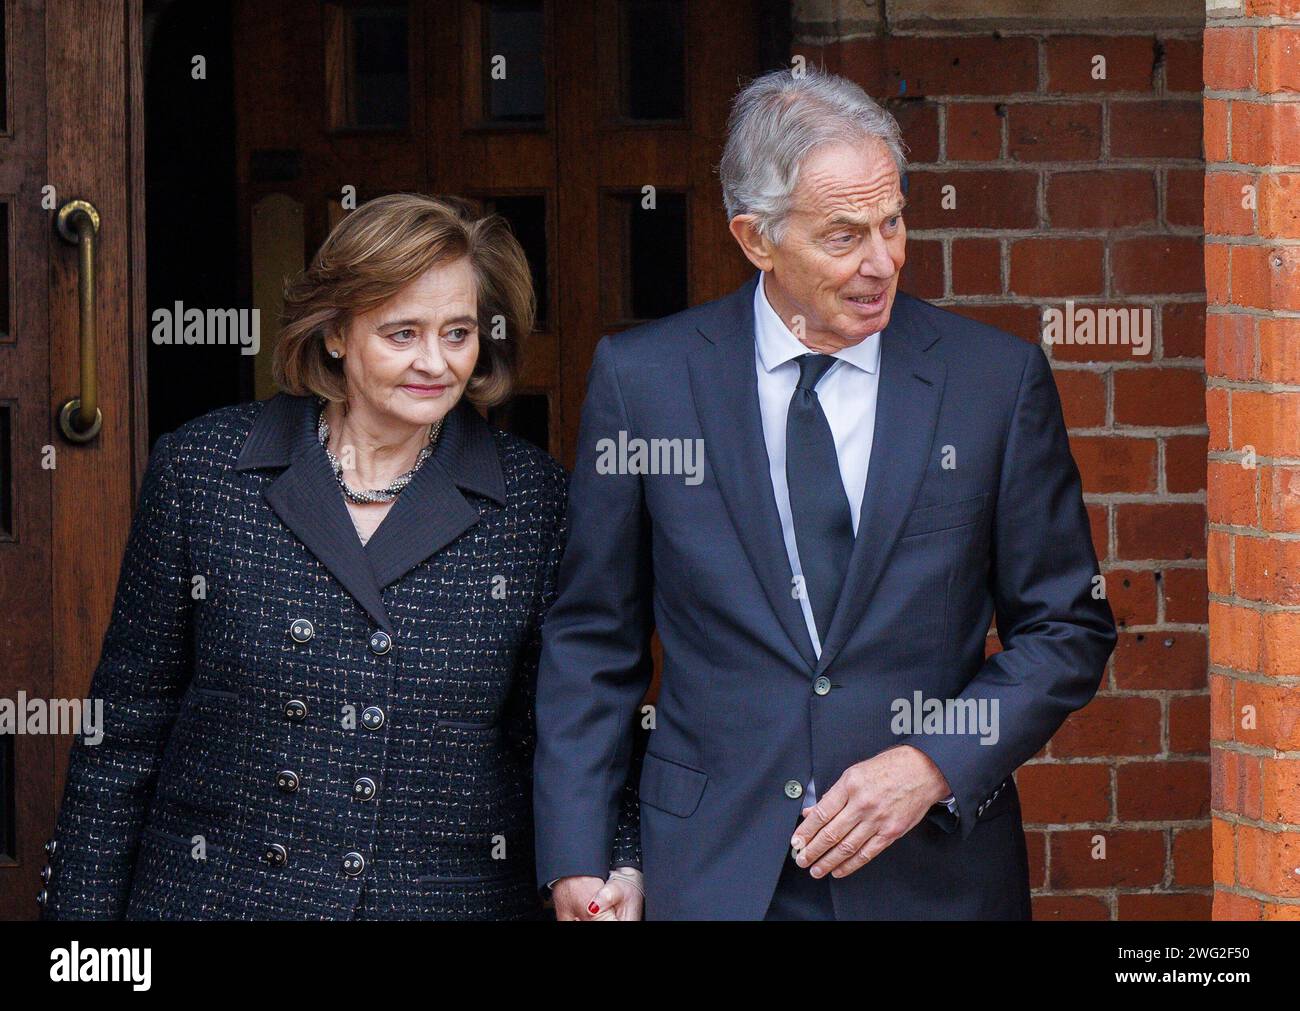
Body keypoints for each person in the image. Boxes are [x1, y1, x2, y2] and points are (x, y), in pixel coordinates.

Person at [533, 69, 1117, 920]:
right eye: (844, 235)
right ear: (755, 238)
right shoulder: (645, 381)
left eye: (893, 222)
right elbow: (594, 635)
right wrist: (578, 854)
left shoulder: (994, 380)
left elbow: (1069, 625)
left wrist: (932, 760)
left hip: (933, 875)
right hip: (716, 874)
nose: (882, 261)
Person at [39, 193, 639, 920]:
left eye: (458, 332)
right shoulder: (203, 468)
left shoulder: (532, 500)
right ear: (333, 334)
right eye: (401, 333)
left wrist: (617, 859)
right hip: (218, 898)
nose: (434, 362)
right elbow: (124, 730)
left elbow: (573, 721)